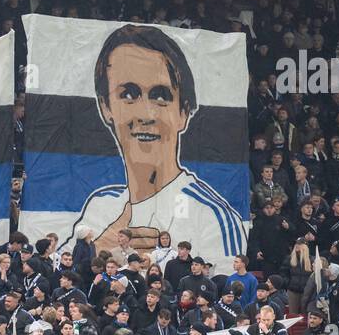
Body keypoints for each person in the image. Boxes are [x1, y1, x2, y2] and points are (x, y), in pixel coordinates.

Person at [66, 24, 245, 266]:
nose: (145, 113)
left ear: (183, 112)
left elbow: (226, 288)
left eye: (160, 96)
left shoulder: (212, 215)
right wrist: (99, 249)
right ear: (106, 107)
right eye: (128, 94)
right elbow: (66, 274)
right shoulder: (99, 207)